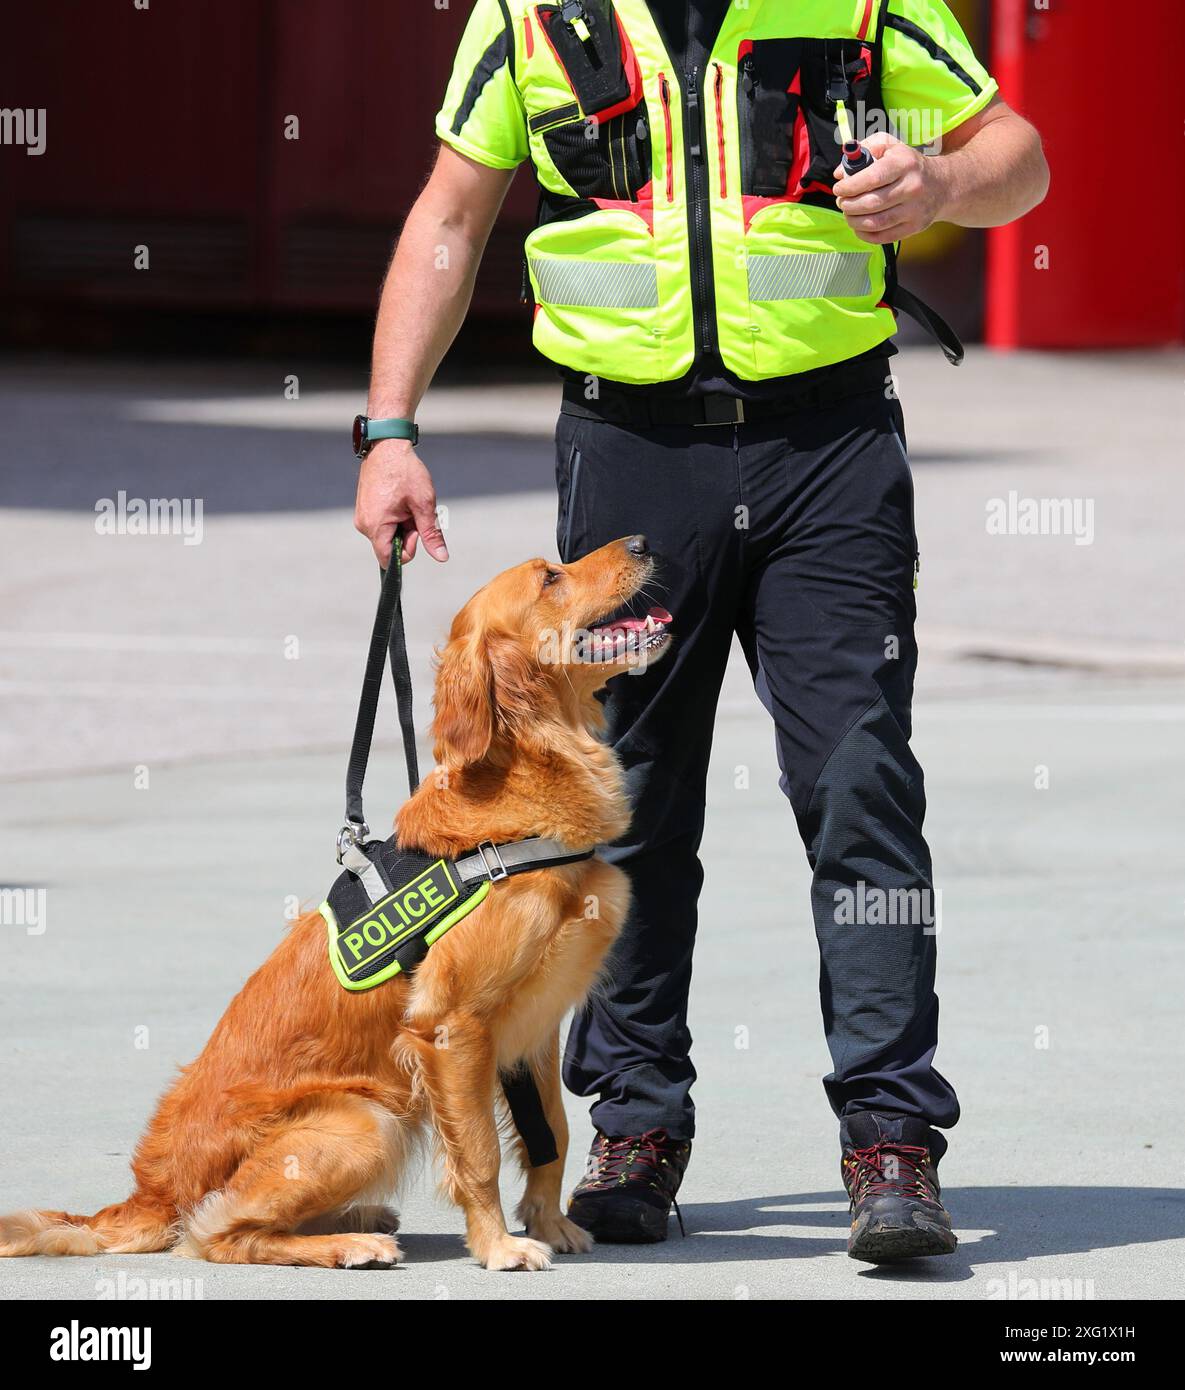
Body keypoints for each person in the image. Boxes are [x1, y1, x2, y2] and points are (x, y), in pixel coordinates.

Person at [353, 0, 1048, 1260]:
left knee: (860, 782)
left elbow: (1022, 157)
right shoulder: (530, 17)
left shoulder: (862, 3)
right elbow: (449, 219)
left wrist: (939, 175)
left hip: (825, 451)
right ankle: (636, 1123)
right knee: (628, 799)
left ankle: (890, 1139)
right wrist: (390, 427)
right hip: (631, 461)